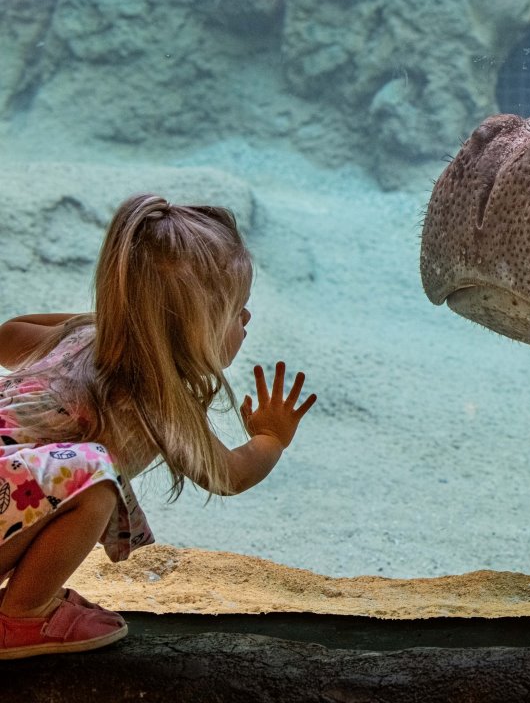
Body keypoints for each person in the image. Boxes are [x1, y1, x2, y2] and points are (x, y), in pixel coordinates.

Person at [0, 194, 316, 659]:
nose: (246, 318)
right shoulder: (156, 400)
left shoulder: (77, 339)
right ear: (193, 328)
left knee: (82, 473)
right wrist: (271, 438)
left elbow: (8, 334)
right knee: (94, 478)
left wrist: (116, 322)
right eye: (236, 310)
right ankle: (22, 616)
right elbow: (228, 474)